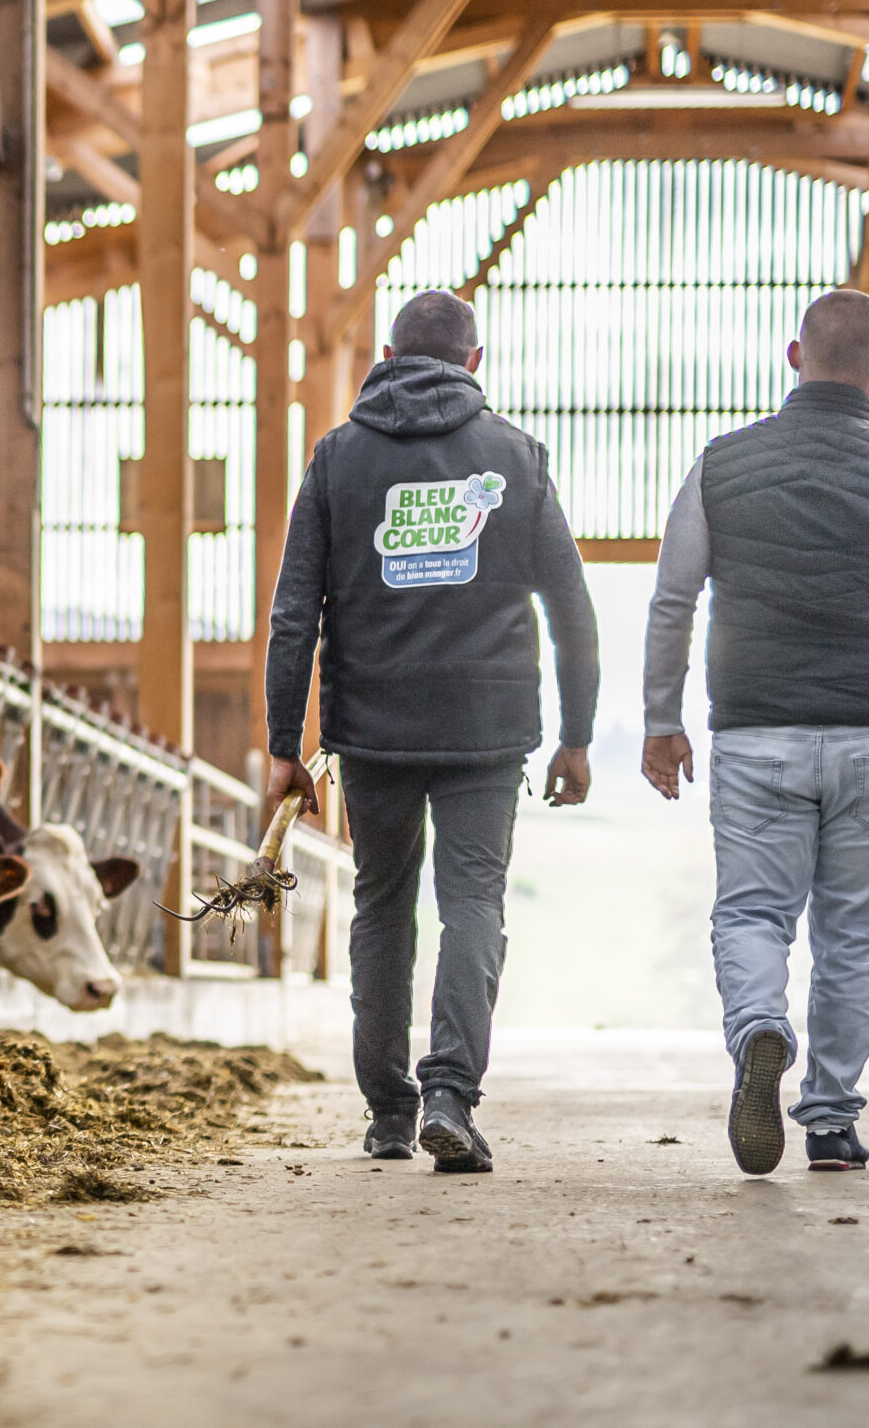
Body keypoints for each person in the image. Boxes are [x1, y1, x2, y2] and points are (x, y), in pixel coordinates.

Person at [642, 289, 869, 1177]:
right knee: (852, 936)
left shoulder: (721, 466)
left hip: (757, 733)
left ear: (793, 356)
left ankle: (761, 1026)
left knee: (755, 911)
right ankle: (830, 1122)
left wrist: (660, 719)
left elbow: (674, 600)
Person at [264, 290, 597, 1175]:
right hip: (488, 727)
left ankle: (387, 1114)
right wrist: (577, 734)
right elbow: (570, 605)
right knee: (473, 904)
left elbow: (294, 613)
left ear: (385, 354)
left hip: (371, 726)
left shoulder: (337, 459)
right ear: (473, 362)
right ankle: (451, 1091)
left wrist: (280, 747)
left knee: (382, 904)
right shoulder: (516, 457)